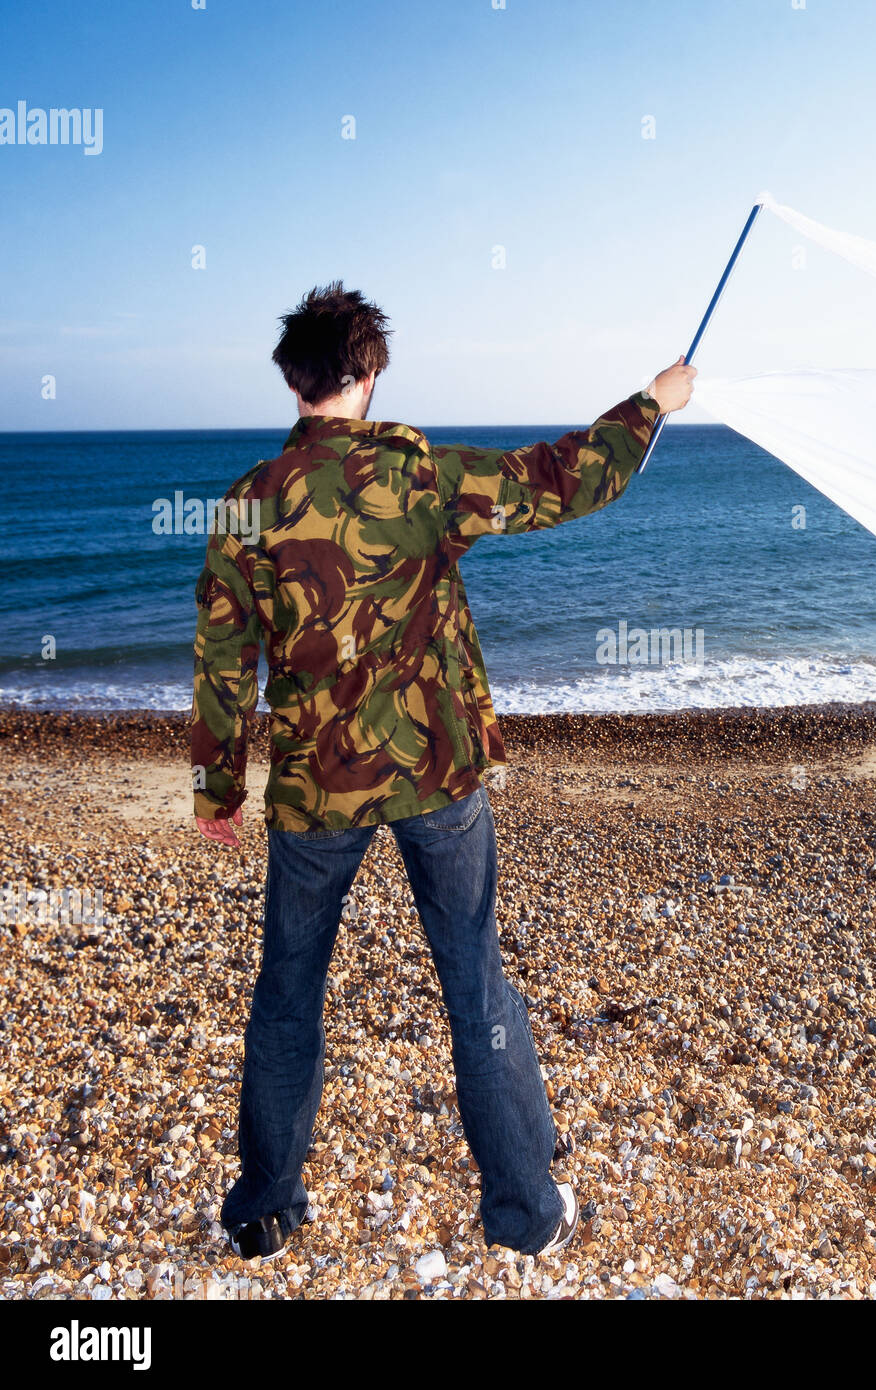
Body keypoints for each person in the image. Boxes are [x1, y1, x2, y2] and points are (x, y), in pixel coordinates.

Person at [190, 282, 695, 1260]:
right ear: (368, 374)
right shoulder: (415, 472)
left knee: (288, 993)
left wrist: (219, 788)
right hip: (435, 774)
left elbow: (222, 658)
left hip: (316, 787)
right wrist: (653, 403)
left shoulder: (247, 502)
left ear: (294, 380)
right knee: (475, 984)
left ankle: (264, 1209)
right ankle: (523, 1213)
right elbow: (559, 480)